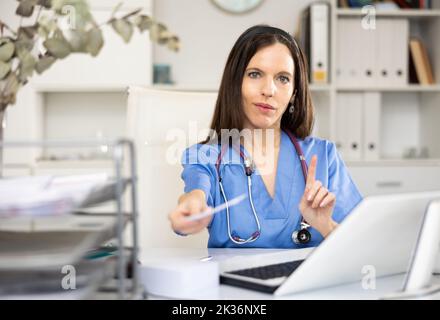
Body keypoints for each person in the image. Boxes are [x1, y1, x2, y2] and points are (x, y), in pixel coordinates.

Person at [168, 25, 363, 248]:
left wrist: (325, 225)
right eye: (255, 74)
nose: (269, 90)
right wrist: (190, 211)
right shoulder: (206, 156)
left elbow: (360, 245)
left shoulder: (323, 155)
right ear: (235, 84)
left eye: (283, 78)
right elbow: (195, 196)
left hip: (306, 282)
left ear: (294, 94)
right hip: (235, 283)